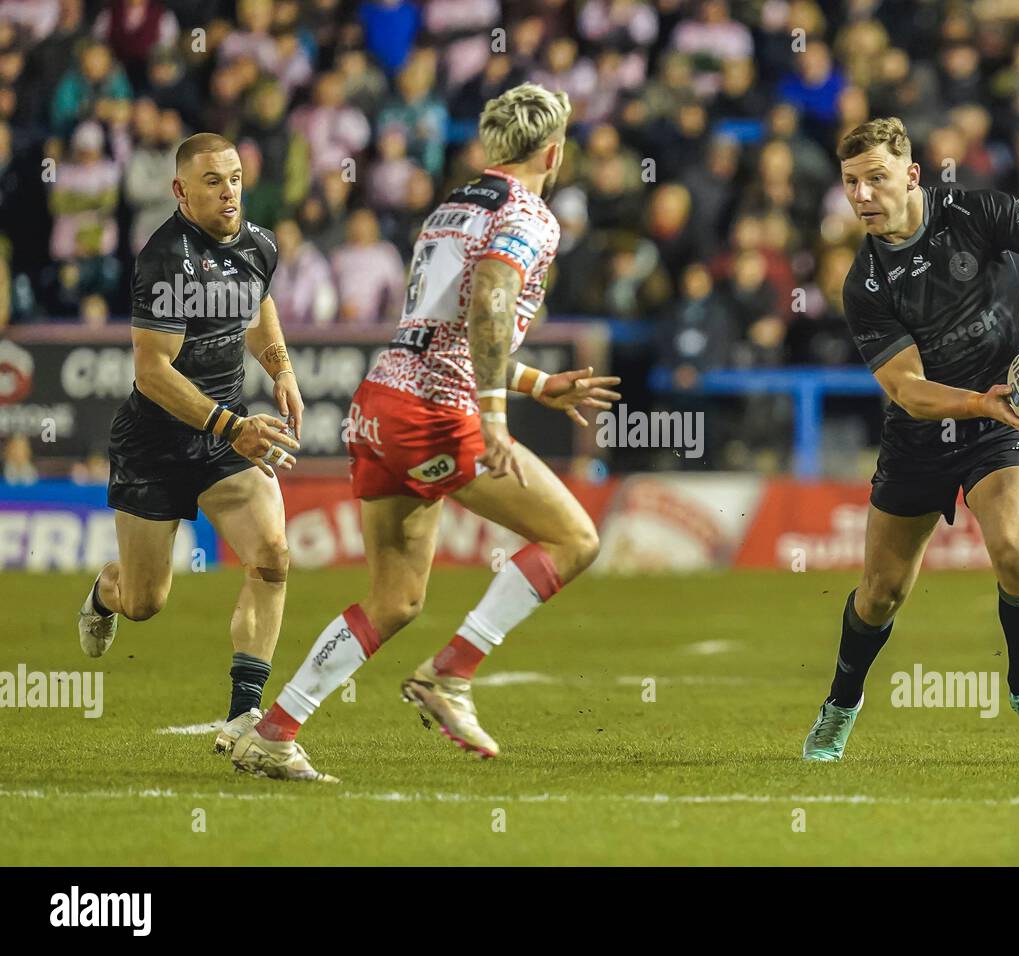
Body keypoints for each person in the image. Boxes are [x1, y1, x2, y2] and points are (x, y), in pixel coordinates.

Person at [233, 83, 620, 782]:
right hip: (437, 414)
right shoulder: (531, 214)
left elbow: (444, 326)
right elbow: (494, 301)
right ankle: (451, 674)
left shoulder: (450, 207)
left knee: (397, 599)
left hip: (378, 403)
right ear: (553, 152)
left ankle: (275, 729)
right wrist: (498, 413)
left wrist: (537, 384)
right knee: (575, 538)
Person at [802, 117, 1019, 763]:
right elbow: (907, 388)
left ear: (911, 175)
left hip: (1001, 427)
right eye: (851, 182)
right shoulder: (865, 283)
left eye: (876, 178)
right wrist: (978, 401)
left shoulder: (974, 209)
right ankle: (841, 703)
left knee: (1017, 552)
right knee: (882, 593)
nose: (862, 195)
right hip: (920, 435)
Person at [76, 132, 306, 760]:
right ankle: (105, 590)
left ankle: (244, 716)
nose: (228, 189)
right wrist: (234, 426)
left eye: (234, 176)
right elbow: (152, 371)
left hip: (225, 439)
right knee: (145, 603)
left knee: (273, 556)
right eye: (212, 180)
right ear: (179, 190)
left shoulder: (258, 244)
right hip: (156, 444)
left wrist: (281, 370)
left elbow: (256, 312)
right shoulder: (164, 259)